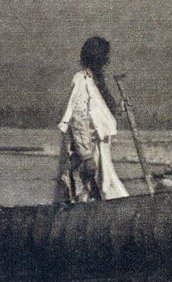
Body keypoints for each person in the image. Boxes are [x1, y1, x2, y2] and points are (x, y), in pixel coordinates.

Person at [55, 36, 130, 203]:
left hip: (99, 150)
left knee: (104, 191)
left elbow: (100, 114)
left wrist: (120, 109)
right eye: (105, 58)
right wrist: (87, 156)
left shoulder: (95, 82)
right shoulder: (81, 81)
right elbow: (78, 120)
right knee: (88, 193)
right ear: (98, 58)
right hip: (86, 151)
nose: (107, 62)